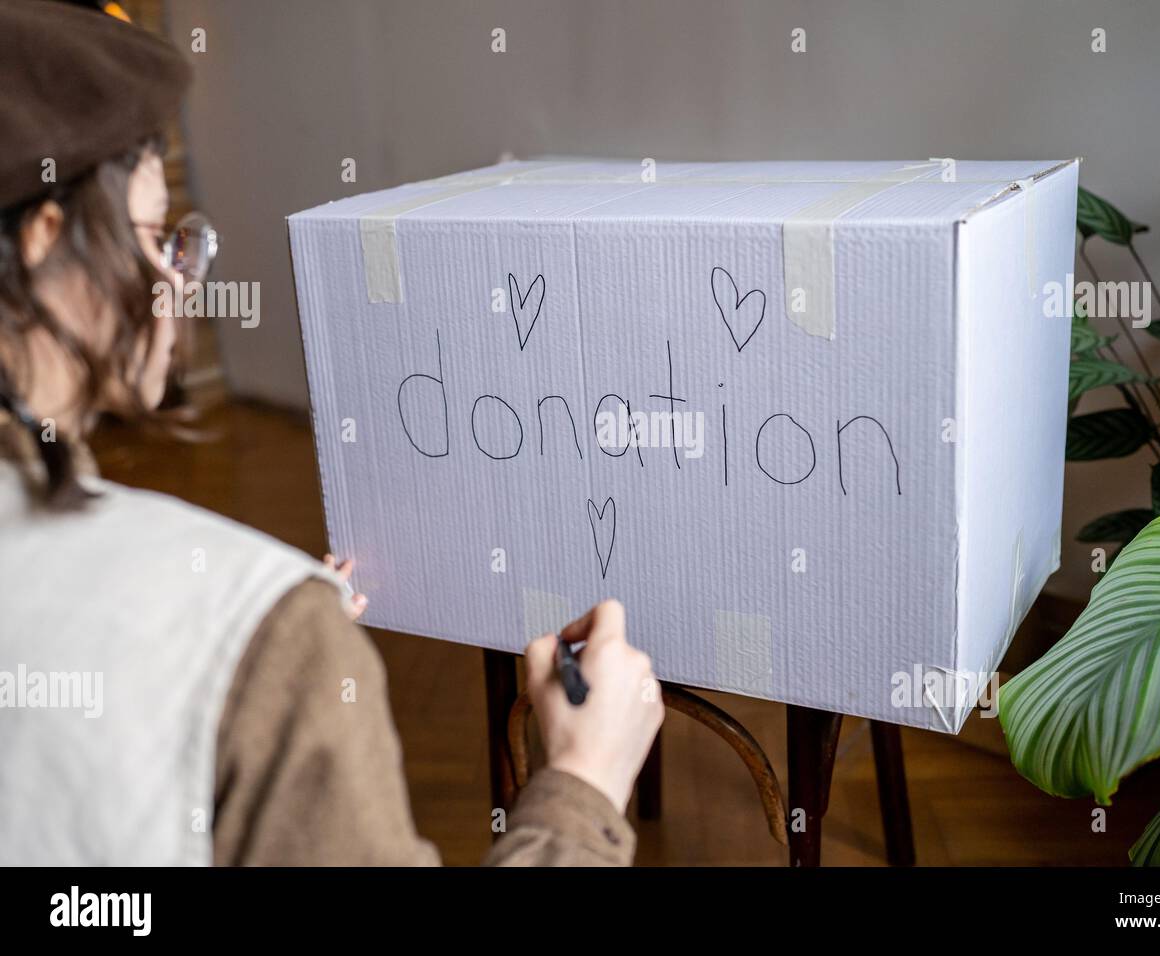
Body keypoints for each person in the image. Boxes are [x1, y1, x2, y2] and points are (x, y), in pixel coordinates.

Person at [0, 0, 663, 866]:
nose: (182, 279)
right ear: (49, 244)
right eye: (161, 239)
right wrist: (583, 784)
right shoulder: (278, 642)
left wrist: (237, 622)